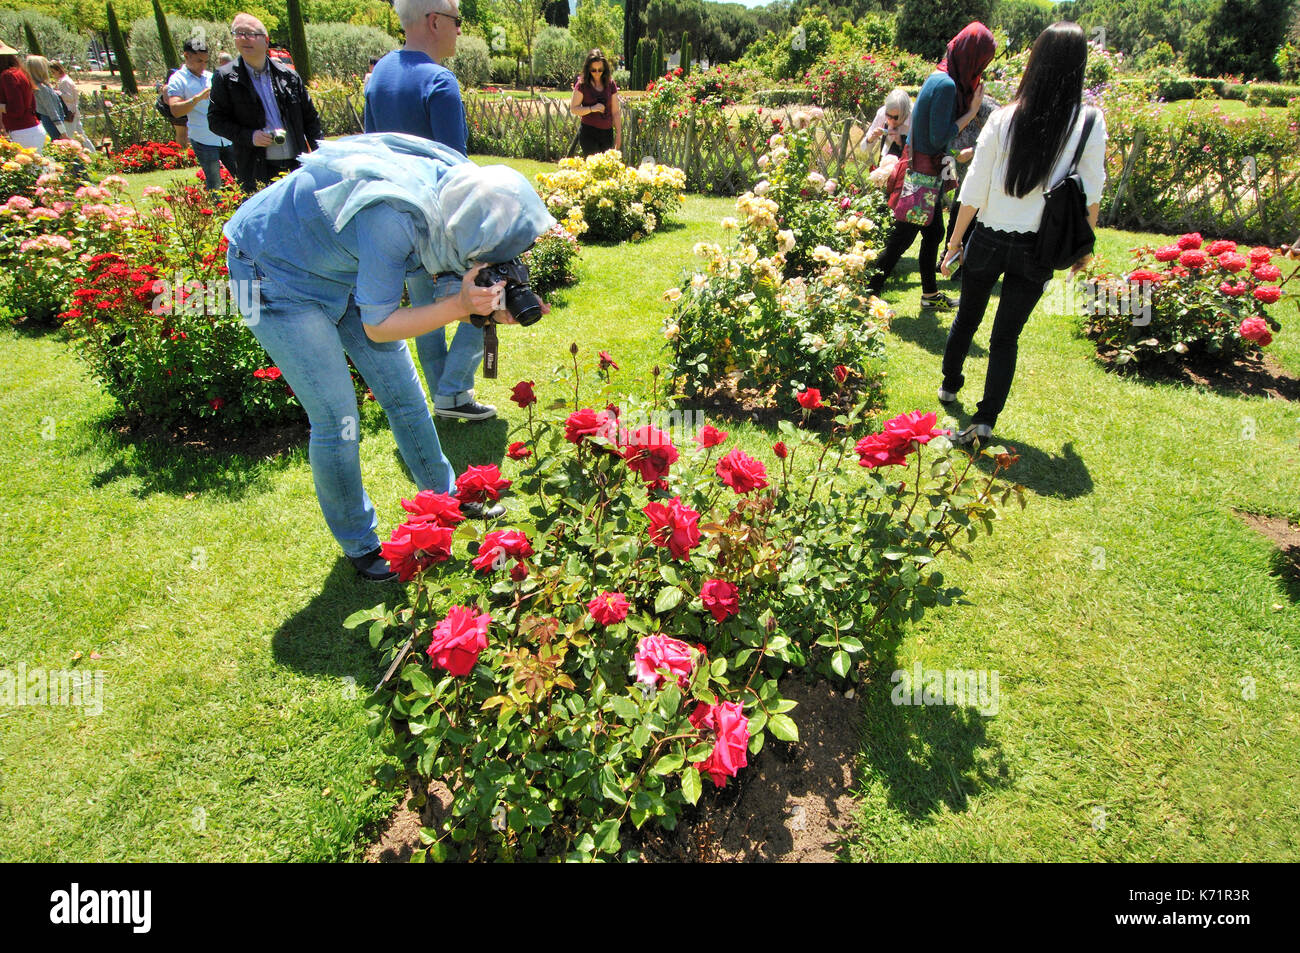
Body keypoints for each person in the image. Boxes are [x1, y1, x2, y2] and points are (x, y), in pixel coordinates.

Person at [222, 133, 555, 581]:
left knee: (405, 395)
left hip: (340, 268)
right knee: (338, 419)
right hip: (268, 271)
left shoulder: (455, 194)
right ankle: (360, 544)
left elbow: (433, 285)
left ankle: (444, 496)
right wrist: (460, 306)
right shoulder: (394, 218)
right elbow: (380, 324)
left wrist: (487, 307)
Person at [938, 21, 1106, 447]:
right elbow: (1092, 189)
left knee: (968, 316)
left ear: (1036, 61)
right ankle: (985, 420)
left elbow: (974, 185)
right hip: (1040, 247)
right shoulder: (1087, 121)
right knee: (1005, 336)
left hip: (990, 237)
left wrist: (954, 243)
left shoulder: (1006, 116)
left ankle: (949, 386)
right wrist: (1085, 246)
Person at [366, 0, 496, 423]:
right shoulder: (440, 82)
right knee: (485, 297)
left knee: (427, 312)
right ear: (435, 21)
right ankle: (454, 391)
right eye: (457, 22)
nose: (460, 31)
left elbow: (372, 151)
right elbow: (454, 169)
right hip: (438, 222)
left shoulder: (379, 73)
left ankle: (447, 401)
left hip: (396, 219)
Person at [867, 22, 996, 312]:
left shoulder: (940, 77)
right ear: (972, 57)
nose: (982, 68)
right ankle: (866, 293)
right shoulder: (948, 85)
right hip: (922, 177)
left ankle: (929, 295)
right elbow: (939, 135)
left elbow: (928, 133)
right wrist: (973, 113)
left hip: (924, 172)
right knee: (902, 238)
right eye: (982, 61)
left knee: (934, 233)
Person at [208, 12, 321, 192]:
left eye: (251, 34)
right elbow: (216, 122)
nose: (244, 38)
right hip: (256, 169)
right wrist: (250, 136)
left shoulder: (289, 75)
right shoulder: (226, 78)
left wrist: (320, 157)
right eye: (238, 33)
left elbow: (311, 120)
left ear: (266, 40)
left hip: (296, 165)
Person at [167, 36, 235, 191]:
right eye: (199, 61)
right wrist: (197, 99)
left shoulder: (210, 77)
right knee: (214, 183)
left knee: (242, 177)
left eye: (205, 61)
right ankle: (216, 212)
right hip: (204, 139)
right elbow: (176, 110)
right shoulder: (178, 80)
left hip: (226, 137)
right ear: (186, 56)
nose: (203, 65)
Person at [569, 49, 620, 156]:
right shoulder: (582, 85)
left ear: (605, 68)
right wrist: (592, 108)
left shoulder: (610, 84)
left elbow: (615, 111)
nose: (597, 73)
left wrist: (619, 135)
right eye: (593, 70)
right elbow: (574, 109)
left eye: (600, 69)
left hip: (607, 132)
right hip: (589, 132)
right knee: (593, 167)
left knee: (606, 167)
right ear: (588, 69)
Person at [1, 47, 45, 152]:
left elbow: (16, 109)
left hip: (22, 132)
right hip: (31, 129)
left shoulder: (7, 76)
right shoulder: (20, 73)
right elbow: (32, 104)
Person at [49, 61, 97, 152]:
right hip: (73, 111)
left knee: (69, 136)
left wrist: (56, 93)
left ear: (59, 70)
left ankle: (75, 155)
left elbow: (69, 97)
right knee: (80, 134)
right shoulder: (64, 80)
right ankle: (92, 152)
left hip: (70, 113)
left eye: (53, 72)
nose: (53, 75)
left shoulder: (64, 82)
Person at [24, 56, 66, 143]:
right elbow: (51, 111)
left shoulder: (40, 86)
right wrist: (63, 132)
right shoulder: (41, 88)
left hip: (51, 121)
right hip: (53, 122)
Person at [864, 87, 912, 162]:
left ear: (905, 114)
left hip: (908, 164)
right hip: (885, 161)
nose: (892, 121)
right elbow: (863, 148)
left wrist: (901, 142)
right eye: (889, 116)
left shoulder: (914, 118)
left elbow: (919, 153)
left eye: (896, 118)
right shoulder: (882, 113)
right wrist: (871, 139)